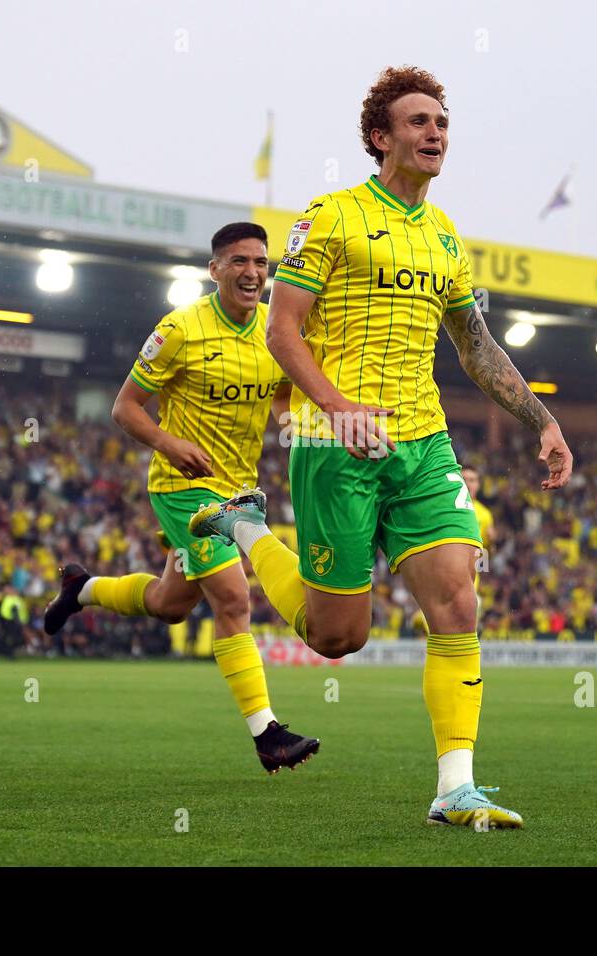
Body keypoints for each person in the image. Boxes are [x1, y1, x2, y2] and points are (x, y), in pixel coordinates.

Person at [190, 66, 573, 828]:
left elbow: (475, 345)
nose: (436, 134)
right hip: (335, 443)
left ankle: (455, 786)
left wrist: (543, 421)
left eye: (442, 123)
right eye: (419, 122)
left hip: (422, 440)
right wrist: (335, 409)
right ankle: (245, 525)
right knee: (339, 638)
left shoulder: (445, 238)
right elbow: (282, 330)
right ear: (380, 137)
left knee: (458, 598)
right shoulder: (330, 217)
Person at [43, 222, 319, 775]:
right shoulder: (179, 329)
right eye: (239, 261)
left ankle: (84, 588)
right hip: (181, 488)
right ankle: (268, 734)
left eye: (261, 263)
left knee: (172, 605)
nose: (252, 272)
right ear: (214, 268)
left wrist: (304, 435)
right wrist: (171, 442)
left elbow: (285, 396)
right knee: (235, 600)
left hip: (238, 490)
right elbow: (126, 408)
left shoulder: (276, 332)